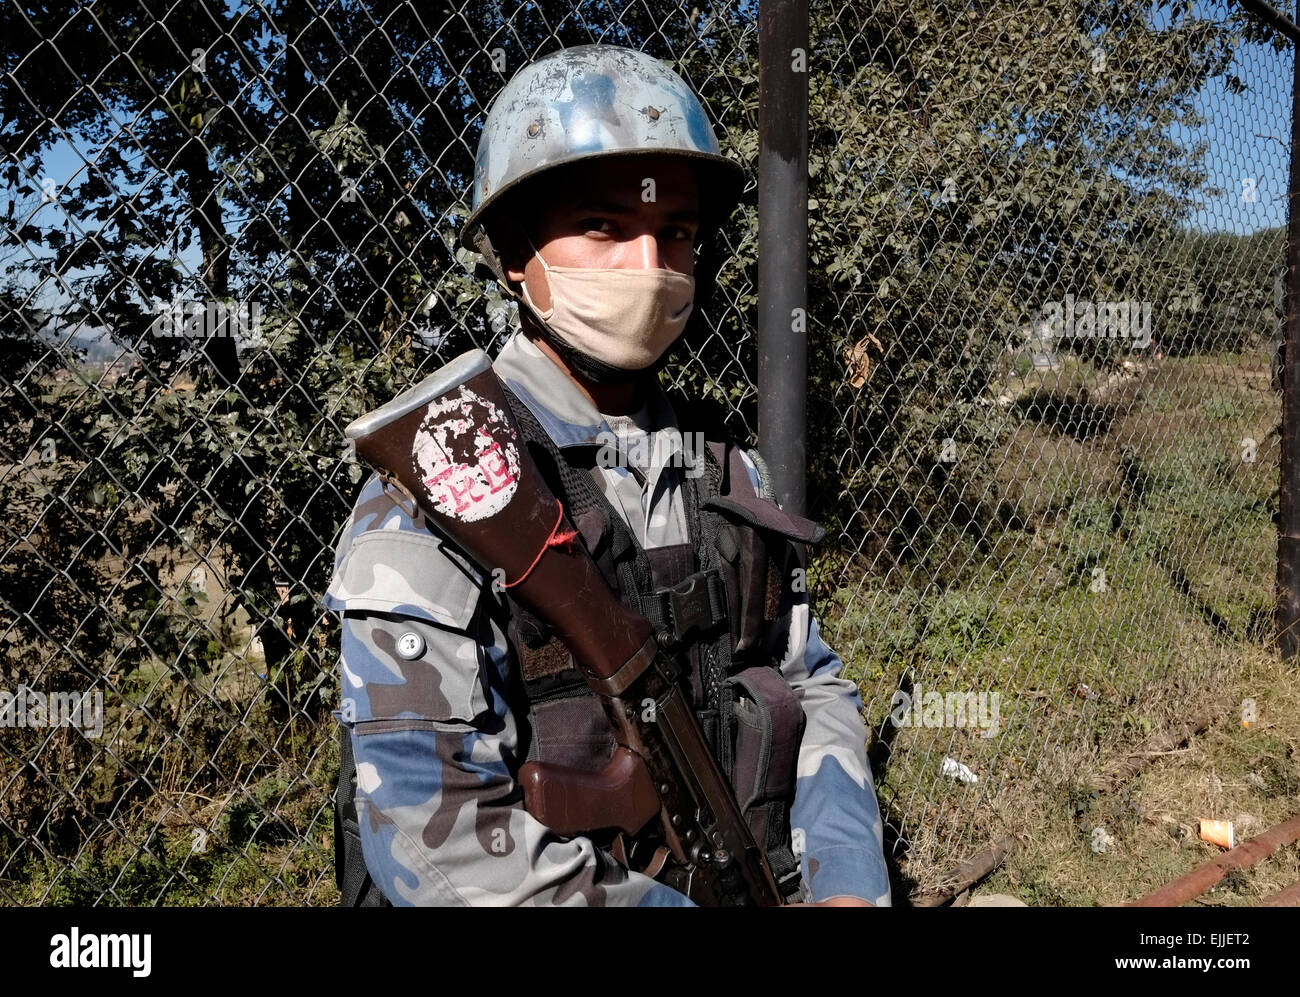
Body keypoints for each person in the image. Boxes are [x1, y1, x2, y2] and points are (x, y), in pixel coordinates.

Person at [326, 43, 891, 907]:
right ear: (517, 254)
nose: (648, 266)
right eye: (602, 226)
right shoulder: (446, 482)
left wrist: (847, 881)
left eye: (676, 233)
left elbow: (811, 682)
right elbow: (432, 845)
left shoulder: (728, 466)